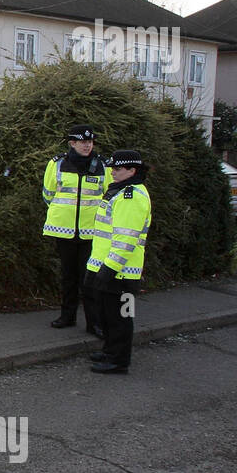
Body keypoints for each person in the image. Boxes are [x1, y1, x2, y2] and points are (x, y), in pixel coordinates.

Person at [85, 150, 152, 374]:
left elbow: (125, 239)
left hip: (121, 271)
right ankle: (110, 351)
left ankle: (118, 360)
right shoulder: (119, 192)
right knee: (107, 315)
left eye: (118, 169)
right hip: (107, 266)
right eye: (112, 168)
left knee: (121, 317)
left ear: (132, 171)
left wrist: (109, 269)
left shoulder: (130, 196)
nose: (112, 172)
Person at [41, 125, 110, 333]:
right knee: (68, 277)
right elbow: (48, 193)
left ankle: (94, 323)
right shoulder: (57, 164)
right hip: (64, 230)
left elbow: (108, 196)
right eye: (82, 142)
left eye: (90, 142)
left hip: (92, 232)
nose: (87, 145)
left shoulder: (103, 166)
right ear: (72, 143)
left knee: (89, 278)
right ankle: (67, 316)